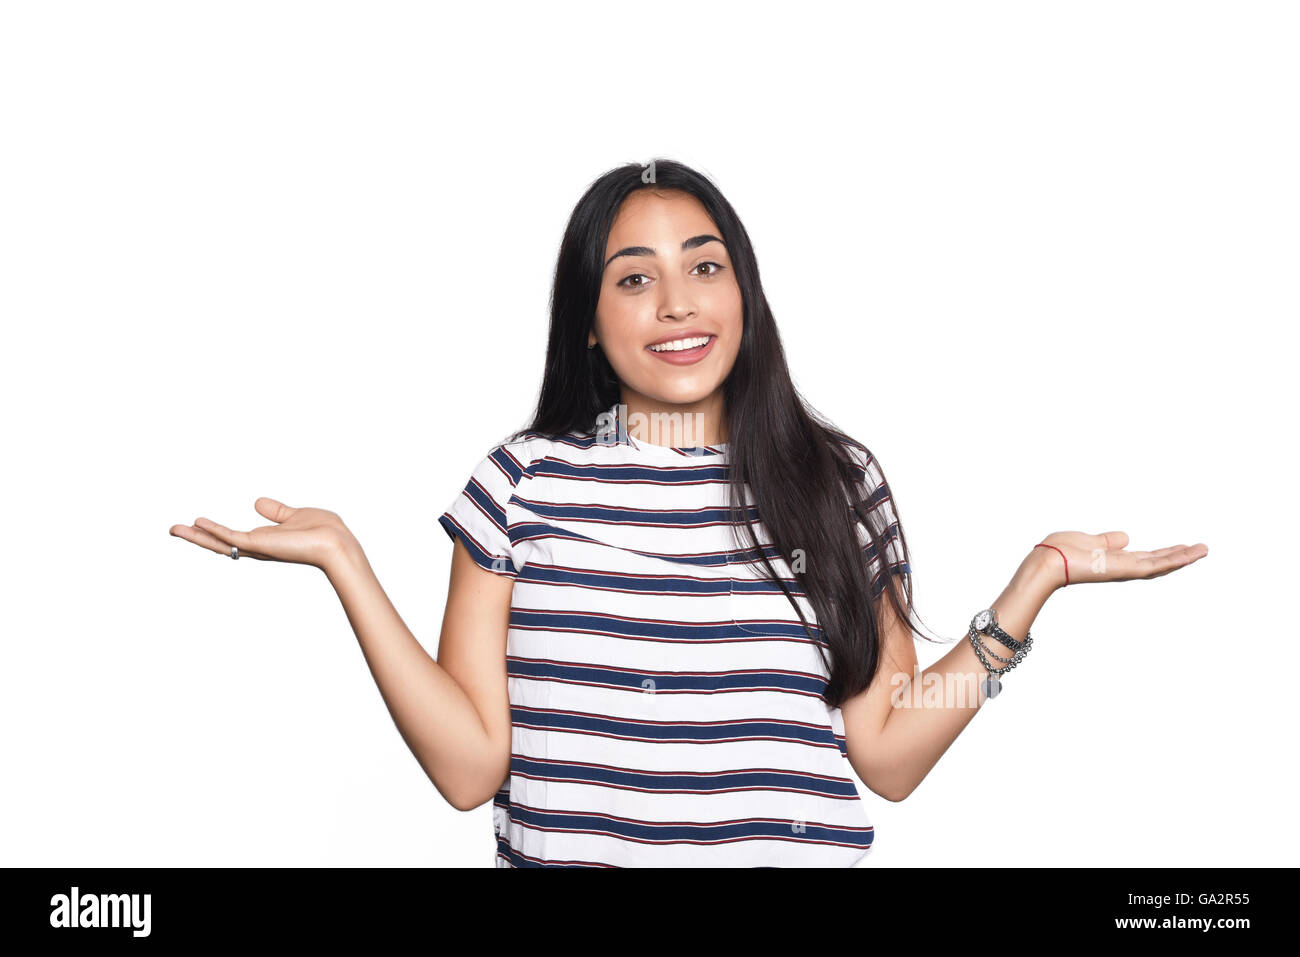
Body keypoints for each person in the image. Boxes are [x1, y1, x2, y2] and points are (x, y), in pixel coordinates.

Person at [169, 158, 1208, 867]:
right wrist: (348, 563)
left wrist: (1023, 598)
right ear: (587, 322)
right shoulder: (521, 484)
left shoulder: (839, 484)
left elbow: (888, 750)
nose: (677, 303)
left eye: (704, 267)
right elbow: (467, 770)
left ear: (743, 296)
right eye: (635, 279)